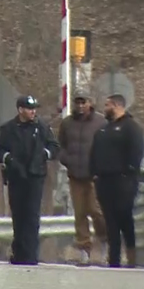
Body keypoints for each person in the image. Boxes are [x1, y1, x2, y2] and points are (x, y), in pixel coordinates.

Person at [0, 95, 60, 265]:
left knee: (32, 216)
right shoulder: (8, 129)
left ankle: (30, 255)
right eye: (29, 109)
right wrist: (8, 159)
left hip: (35, 176)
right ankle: (19, 252)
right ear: (20, 110)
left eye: (34, 108)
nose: (33, 112)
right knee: (19, 215)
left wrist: (44, 154)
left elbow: (54, 147)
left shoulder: (42, 127)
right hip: (16, 177)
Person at [89, 94, 144, 268]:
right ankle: (114, 258)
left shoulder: (131, 128)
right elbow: (94, 154)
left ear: (116, 105)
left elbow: (136, 151)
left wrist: (129, 171)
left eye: (107, 105)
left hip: (124, 180)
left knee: (124, 216)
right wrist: (94, 174)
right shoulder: (103, 131)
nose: (104, 108)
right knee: (110, 219)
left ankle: (131, 255)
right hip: (104, 181)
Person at [57, 91, 108, 266]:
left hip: (95, 175)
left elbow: (108, 145)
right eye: (77, 102)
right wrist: (67, 160)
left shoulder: (101, 122)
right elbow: (60, 145)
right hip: (75, 175)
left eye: (83, 102)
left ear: (90, 103)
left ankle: (103, 239)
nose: (80, 106)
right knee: (79, 213)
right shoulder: (67, 124)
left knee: (96, 210)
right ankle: (84, 248)